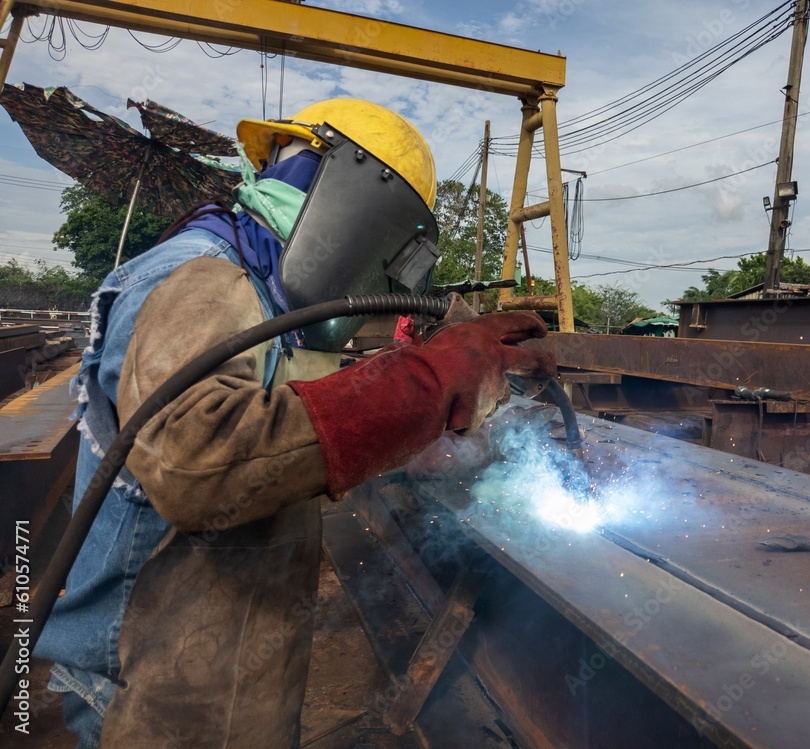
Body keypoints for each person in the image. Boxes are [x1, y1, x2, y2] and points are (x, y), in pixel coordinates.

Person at [33, 97, 556, 748]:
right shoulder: (197, 273)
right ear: (354, 198)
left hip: (225, 682)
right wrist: (428, 382)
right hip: (152, 695)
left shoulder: (258, 293)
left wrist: (452, 438)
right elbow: (198, 458)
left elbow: (294, 427)